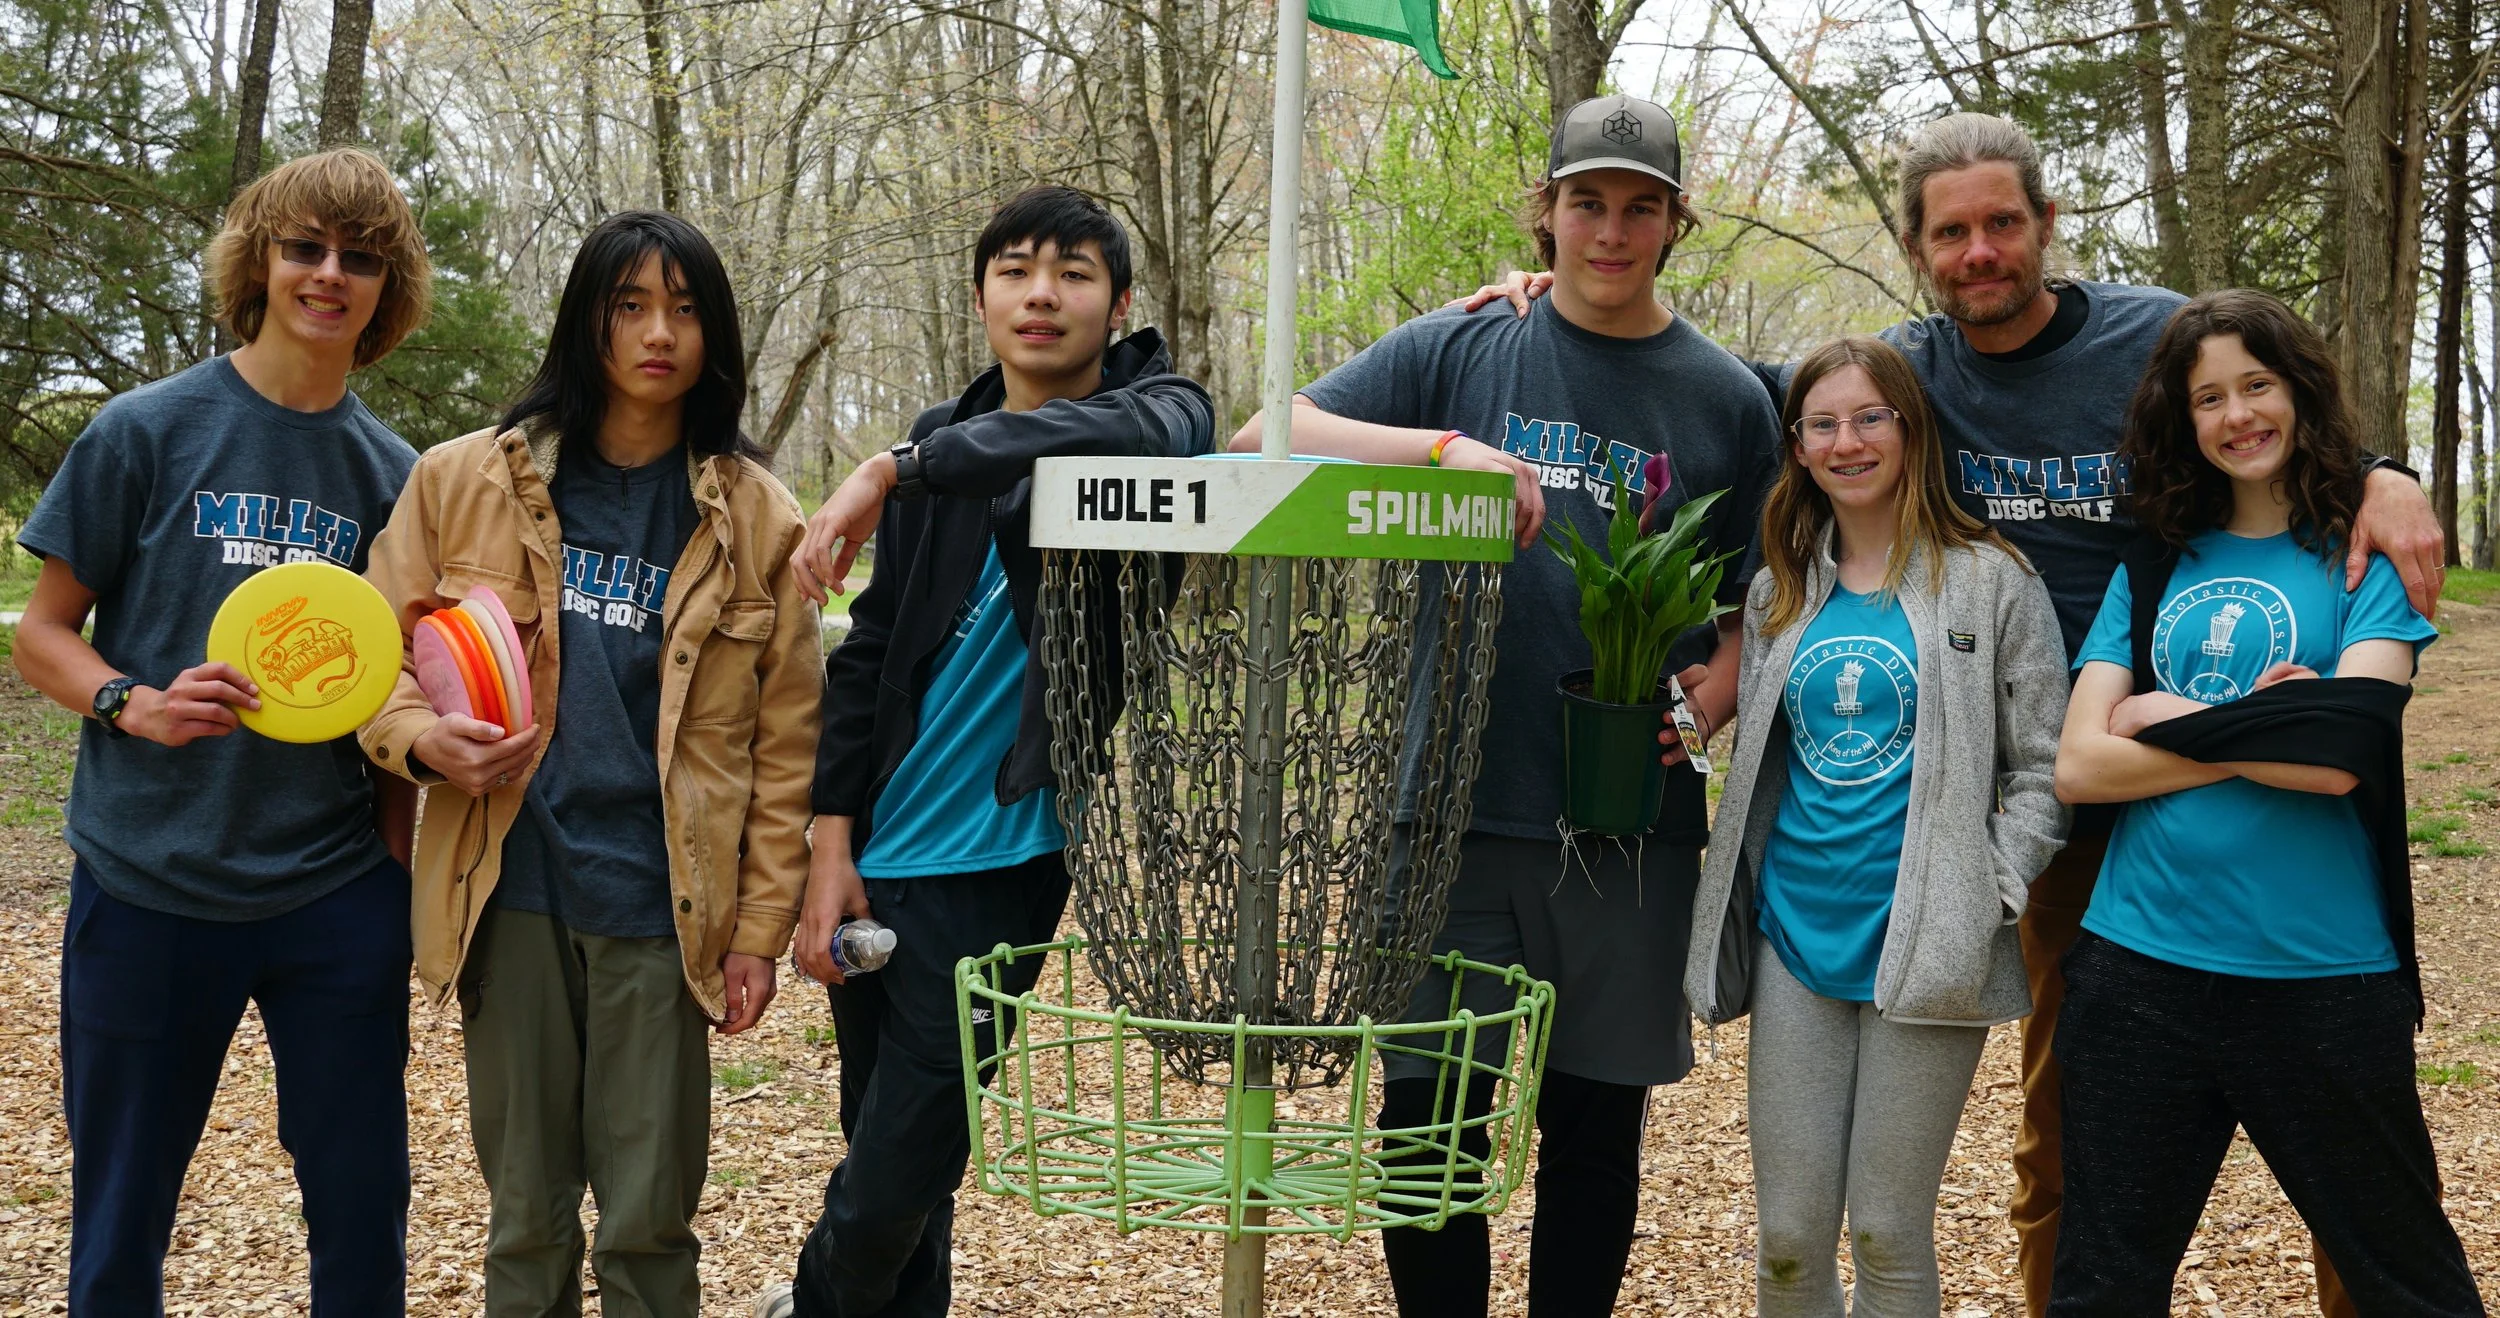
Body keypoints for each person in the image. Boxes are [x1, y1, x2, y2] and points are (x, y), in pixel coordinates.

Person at [1458, 112, 2445, 1317]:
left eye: (2000, 223)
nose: (1978, 250)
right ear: (1918, 248)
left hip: (2092, 783)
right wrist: (1564, 288)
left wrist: (2386, 467)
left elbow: (2259, 388)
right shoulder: (1902, 373)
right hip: (2015, 788)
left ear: (2043, 225)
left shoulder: (2147, 333)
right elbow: (1789, 397)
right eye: (1950, 231)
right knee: (2073, 1150)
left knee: (2351, 1183)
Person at [1230, 95, 1781, 1318]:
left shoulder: (1726, 397)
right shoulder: (1463, 347)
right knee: (1429, 1129)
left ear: (1675, 222)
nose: (1611, 230)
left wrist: (1714, 700)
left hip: (1628, 822)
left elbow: (1760, 598)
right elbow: (1264, 428)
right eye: (1587, 201)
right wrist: (1442, 450)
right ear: (1546, 212)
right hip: (1451, 808)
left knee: (1594, 1131)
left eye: (1641, 206)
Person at [753, 185, 1213, 1318]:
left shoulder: (1166, 412)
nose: (1041, 294)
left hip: (1005, 856)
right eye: (1014, 269)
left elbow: (1110, 436)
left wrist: (893, 467)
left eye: (1072, 272)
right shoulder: (935, 450)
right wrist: (829, 844)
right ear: (980, 295)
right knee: (900, 1165)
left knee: (891, 1175)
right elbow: (863, 665)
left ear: (1116, 304)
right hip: (881, 849)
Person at [358, 210, 821, 1314]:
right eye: (629, 305)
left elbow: (783, 749)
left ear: (716, 335)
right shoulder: (462, 478)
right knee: (523, 1214)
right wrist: (422, 738)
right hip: (509, 889)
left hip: (665, 909)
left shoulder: (757, 517)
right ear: (587, 322)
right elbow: (374, 652)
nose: (658, 332)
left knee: (650, 1220)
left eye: (686, 307)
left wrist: (758, 929)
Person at [13, 148, 431, 1313]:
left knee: (360, 1218)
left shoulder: (396, 477)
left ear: (387, 288)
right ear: (260, 261)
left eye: (360, 257)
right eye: (305, 248)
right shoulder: (145, 430)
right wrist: (132, 702)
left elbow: (393, 695)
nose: (330, 274)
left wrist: (391, 869)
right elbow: (44, 633)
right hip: (147, 879)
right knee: (119, 1221)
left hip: (332, 888)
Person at [2047, 290, 2482, 1316]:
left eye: (2256, 384)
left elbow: (2339, 753)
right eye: (2208, 397)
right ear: (2180, 418)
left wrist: (2155, 714)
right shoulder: (2153, 561)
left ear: (2297, 391)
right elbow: (2075, 767)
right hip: (2132, 972)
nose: (2237, 414)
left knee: (2409, 1285)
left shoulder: (2362, 556)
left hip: (2320, 978)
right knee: (2101, 1287)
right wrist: (2255, 723)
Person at [1685, 335, 2066, 1316]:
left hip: (1925, 943)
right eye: (1822, 423)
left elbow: (2042, 765)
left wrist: (1991, 882)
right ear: (1799, 447)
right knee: (1786, 1238)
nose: (1846, 440)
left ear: (1908, 429)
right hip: (1796, 940)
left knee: (1890, 1231)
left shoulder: (1989, 581)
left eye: (1867, 418)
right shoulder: (1779, 593)